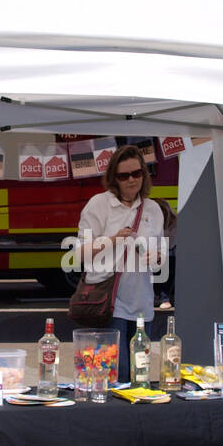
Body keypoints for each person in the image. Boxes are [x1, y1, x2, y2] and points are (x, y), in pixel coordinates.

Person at [76, 144, 165, 383]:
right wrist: (113, 240)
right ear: (113, 178)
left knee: (139, 378)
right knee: (115, 376)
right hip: (108, 303)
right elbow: (79, 253)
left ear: (144, 175)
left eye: (137, 173)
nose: (131, 180)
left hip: (142, 305)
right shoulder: (98, 204)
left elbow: (161, 258)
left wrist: (157, 257)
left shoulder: (153, 209)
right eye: (124, 176)